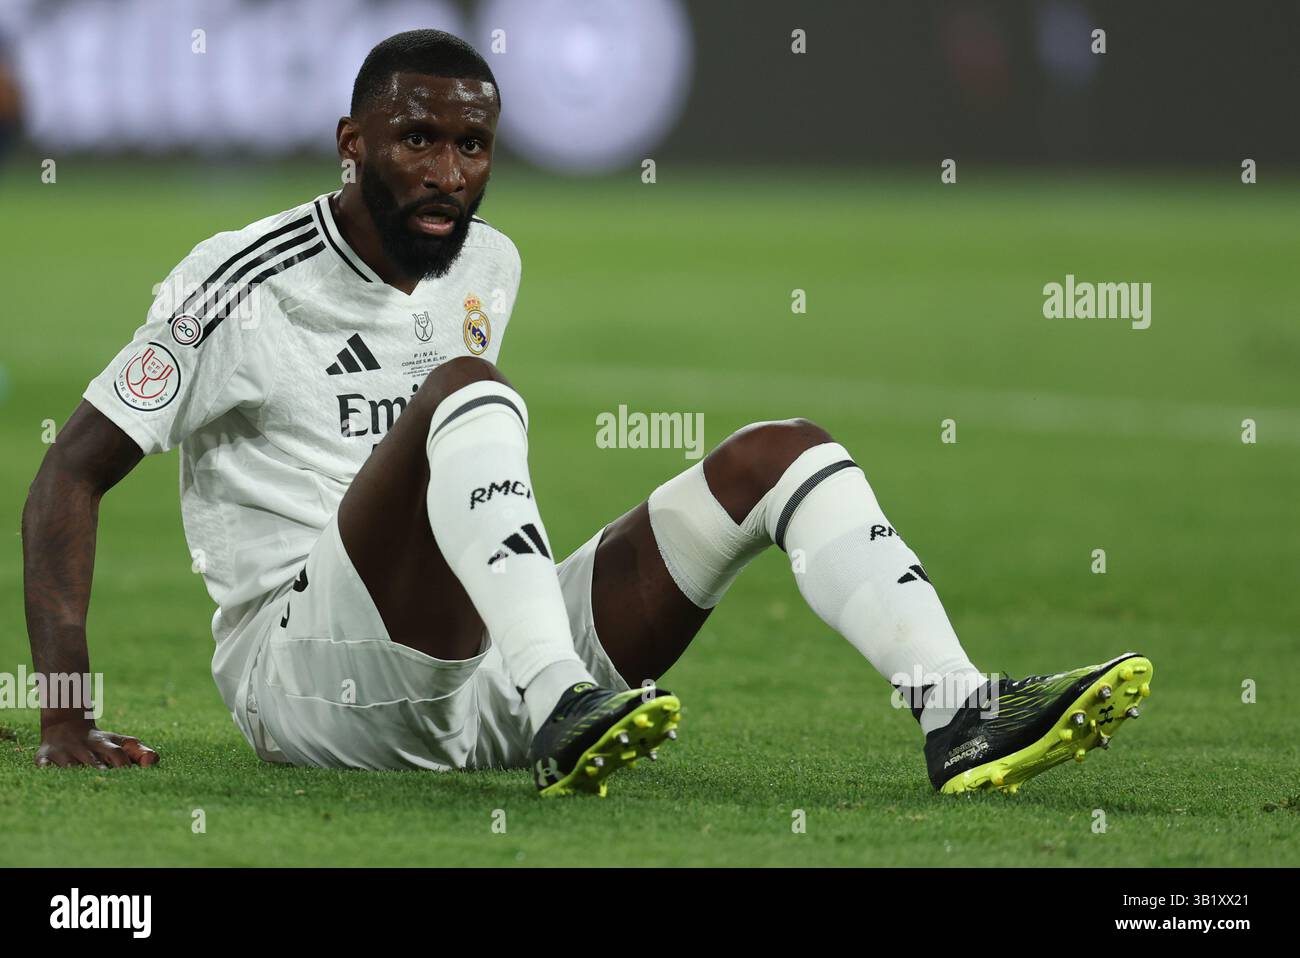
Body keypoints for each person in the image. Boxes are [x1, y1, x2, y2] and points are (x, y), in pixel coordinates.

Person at [22, 30, 1152, 797]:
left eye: (472, 147)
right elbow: (66, 476)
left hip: (472, 672)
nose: (448, 173)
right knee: (464, 394)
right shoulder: (241, 279)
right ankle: (564, 700)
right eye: (417, 140)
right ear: (351, 143)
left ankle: (957, 714)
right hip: (305, 684)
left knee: (780, 457)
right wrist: (65, 711)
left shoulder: (489, 267)